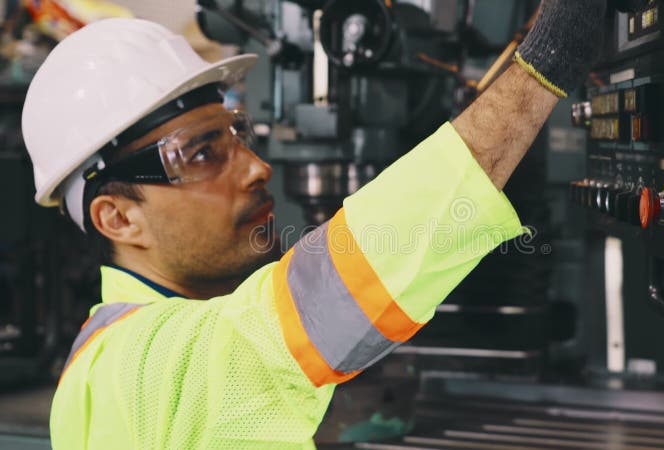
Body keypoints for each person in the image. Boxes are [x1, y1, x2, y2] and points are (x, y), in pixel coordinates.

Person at [21, 1, 605, 448]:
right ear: (118, 218)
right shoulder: (132, 366)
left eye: (238, 134)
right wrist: (542, 69)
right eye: (200, 153)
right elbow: (331, 291)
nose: (257, 166)